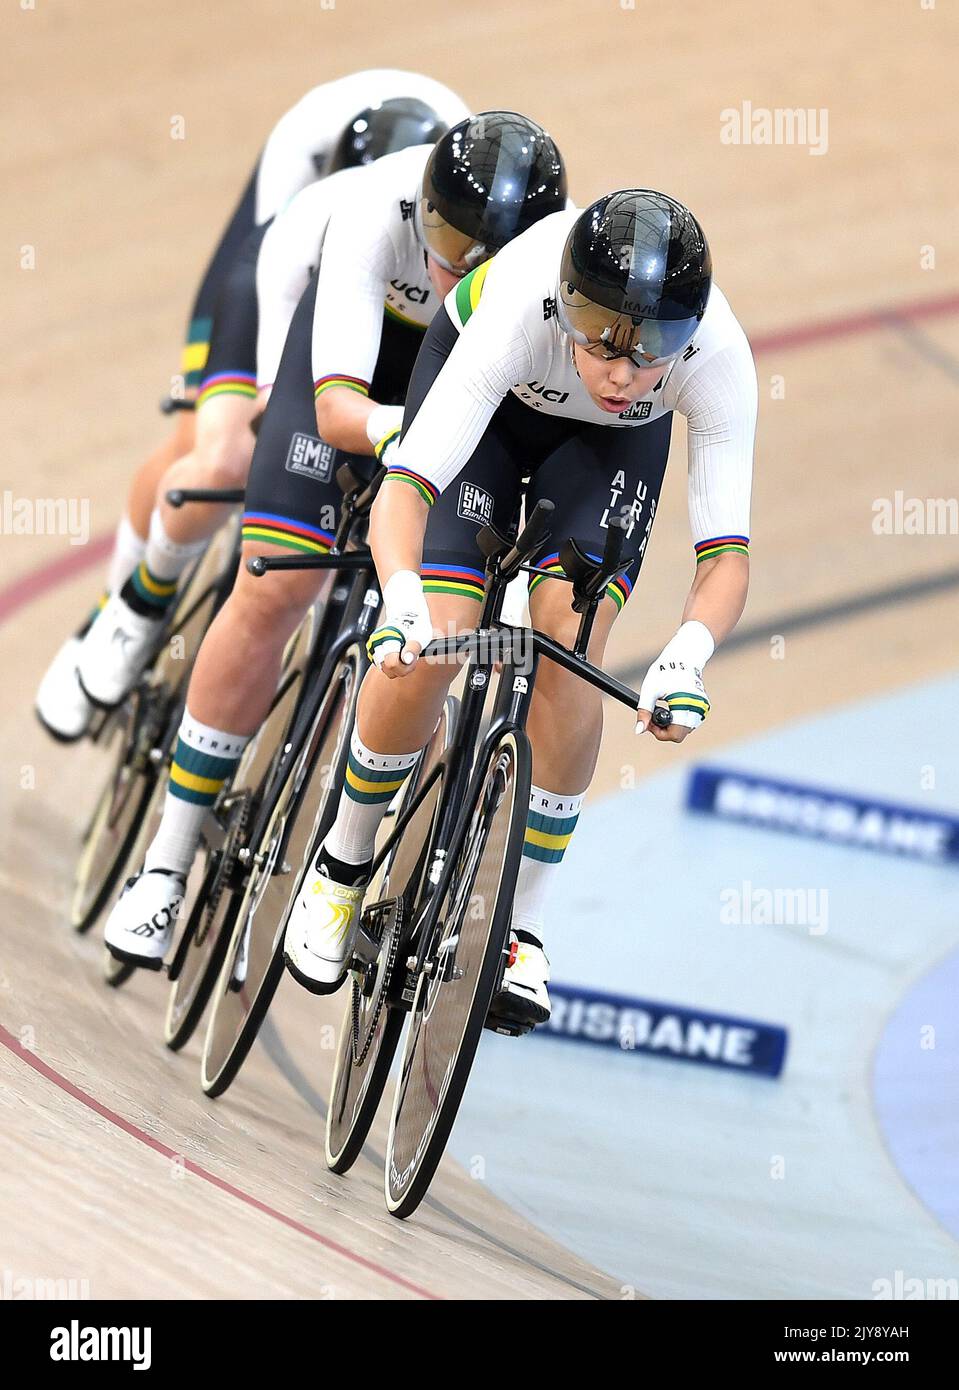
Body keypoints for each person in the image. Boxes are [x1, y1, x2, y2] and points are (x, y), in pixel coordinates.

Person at [100, 113, 569, 969]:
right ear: (419, 206)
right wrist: (412, 440)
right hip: (363, 370)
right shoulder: (369, 211)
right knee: (276, 584)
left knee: (450, 620)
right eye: (445, 236)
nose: (458, 262)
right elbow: (332, 408)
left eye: (484, 254)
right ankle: (163, 868)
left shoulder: (535, 298)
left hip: (465, 366)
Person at [281, 188, 758, 1021]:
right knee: (442, 638)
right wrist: (400, 600)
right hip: (490, 409)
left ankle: (521, 928)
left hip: (605, 449)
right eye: (605, 341)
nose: (622, 372)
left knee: (571, 652)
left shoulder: (717, 355)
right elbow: (407, 488)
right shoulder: (517, 305)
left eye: (651, 353)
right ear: (567, 303)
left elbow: (724, 554)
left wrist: (686, 657)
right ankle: (343, 864)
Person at [35, 70, 468, 739]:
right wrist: (269, 393)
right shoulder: (309, 143)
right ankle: (122, 610)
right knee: (218, 452)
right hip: (284, 269)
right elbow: (276, 269)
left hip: (399, 309)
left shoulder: (459, 194)